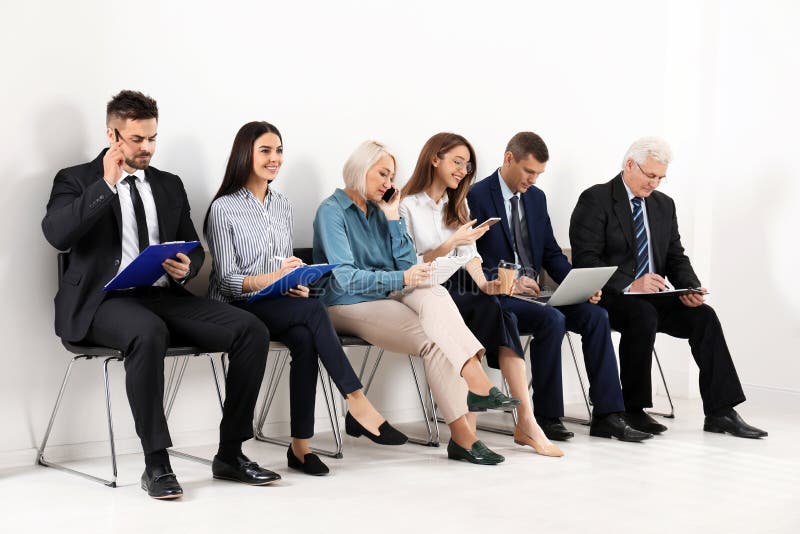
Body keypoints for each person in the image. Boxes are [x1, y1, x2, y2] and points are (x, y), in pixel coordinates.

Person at [41, 90, 278, 500]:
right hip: (103, 304)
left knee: (250, 330)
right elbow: (57, 234)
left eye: (152, 138)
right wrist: (106, 184)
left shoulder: (168, 185)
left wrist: (188, 266)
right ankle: (156, 463)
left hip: (165, 297)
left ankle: (230, 453)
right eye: (137, 139)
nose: (147, 148)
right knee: (147, 332)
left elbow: (194, 247)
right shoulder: (75, 179)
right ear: (112, 135)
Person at [205, 121, 407, 476]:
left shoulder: (282, 204)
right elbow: (227, 280)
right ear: (245, 155)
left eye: (279, 150)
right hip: (236, 305)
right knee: (314, 310)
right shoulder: (223, 208)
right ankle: (357, 401)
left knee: (305, 336)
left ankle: (300, 447)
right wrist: (275, 279)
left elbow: (280, 261)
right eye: (265, 151)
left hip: (274, 301)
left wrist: (294, 277)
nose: (275, 158)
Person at [313, 140, 519, 465]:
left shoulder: (381, 211)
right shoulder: (332, 211)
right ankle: (474, 387)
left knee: (435, 303)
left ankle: (466, 426)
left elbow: (408, 264)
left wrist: (394, 218)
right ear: (359, 169)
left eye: (391, 176)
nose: (388, 183)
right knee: (432, 328)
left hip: (383, 297)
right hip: (345, 304)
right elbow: (345, 278)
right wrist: (402, 279)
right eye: (382, 174)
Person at [569, 136, 767, 439]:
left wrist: (690, 287)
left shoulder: (663, 205)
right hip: (609, 297)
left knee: (705, 317)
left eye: (661, 177)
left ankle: (721, 411)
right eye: (650, 175)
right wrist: (629, 284)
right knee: (641, 314)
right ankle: (633, 409)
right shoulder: (596, 199)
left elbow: (675, 255)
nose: (655, 184)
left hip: (653, 297)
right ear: (630, 165)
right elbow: (586, 259)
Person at [468, 131, 651, 443]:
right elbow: (465, 256)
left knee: (596, 316)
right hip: (498, 294)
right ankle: (546, 416)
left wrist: (578, 284)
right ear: (508, 159)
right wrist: (506, 280)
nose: (534, 180)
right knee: (551, 320)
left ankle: (608, 415)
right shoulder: (475, 195)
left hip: (535, 292)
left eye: (539, 173)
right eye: (529, 171)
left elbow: (551, 253)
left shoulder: (536, 199)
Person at [399, 132, 562, 457]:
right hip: (425, 288)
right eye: (457, 162)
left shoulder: (456, 203)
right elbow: (408, 264)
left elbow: (470, 256)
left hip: (461, 286)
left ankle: (526, 419)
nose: (463, 170)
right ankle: (471, 430)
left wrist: (486, 283)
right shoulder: (406, 205)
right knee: (481, 310)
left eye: (467, 165)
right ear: (435, 159)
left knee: (495, 307)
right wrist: (449, 244)